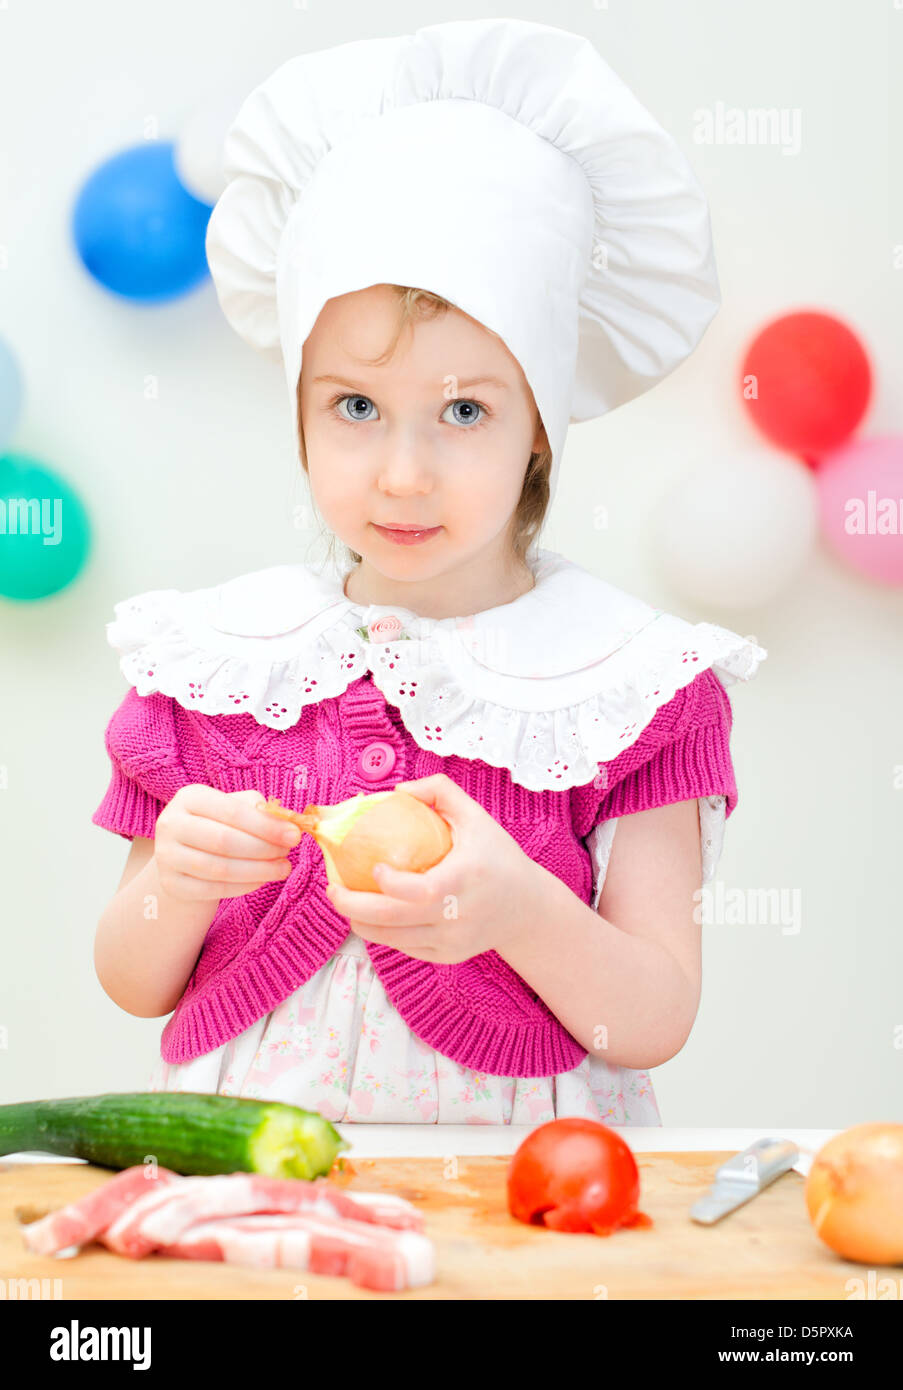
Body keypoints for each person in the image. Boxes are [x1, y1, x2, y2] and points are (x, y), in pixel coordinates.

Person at [92, 19, 766, 1125]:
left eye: (464, 410)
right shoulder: (211, 666)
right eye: (355, 406)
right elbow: (134, 980)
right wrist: (174, 877)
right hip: (262, 1201)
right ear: (300, 408)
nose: (403, 475)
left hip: (526, 1202)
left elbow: (651, 1015)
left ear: (541, 427)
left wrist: (518, 911)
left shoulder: (639, 687)